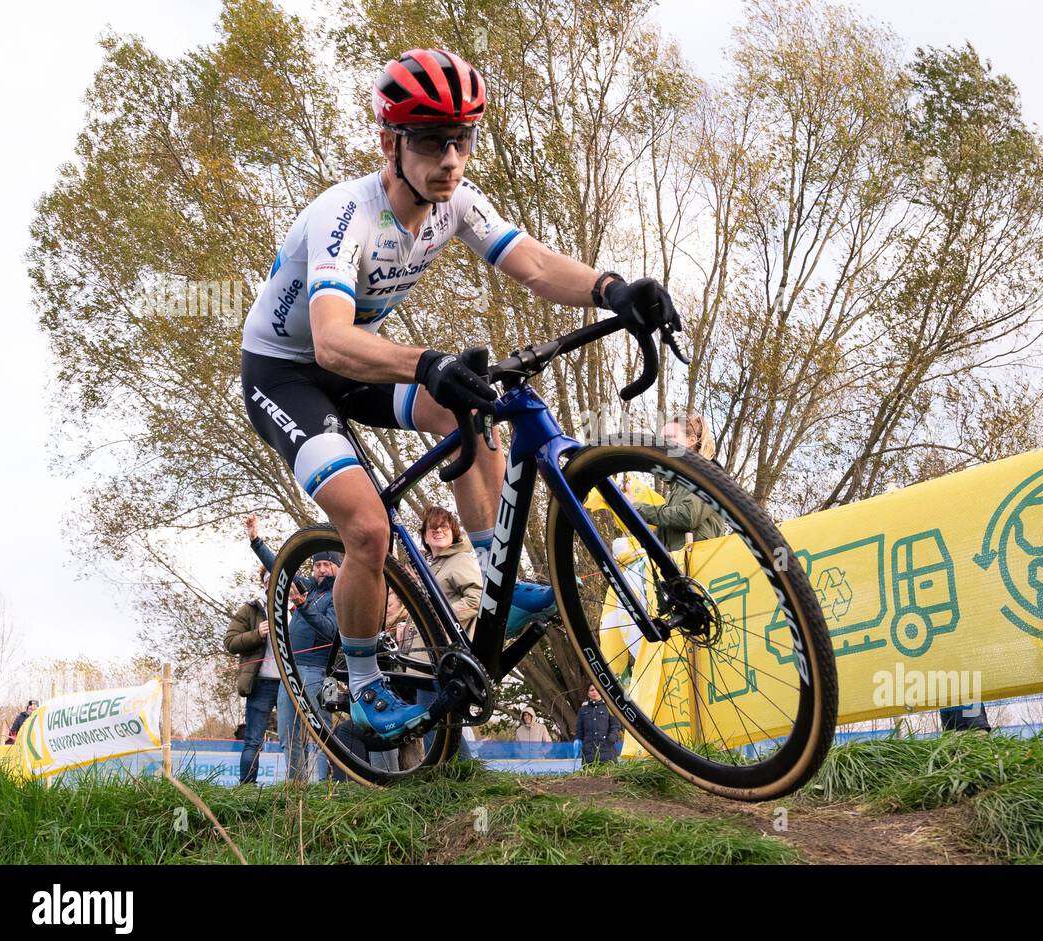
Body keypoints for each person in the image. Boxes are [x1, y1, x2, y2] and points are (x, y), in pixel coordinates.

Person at [238, 47, 680, 742]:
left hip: (355, 362)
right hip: (288, 371)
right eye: (432, 141)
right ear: (390, 142)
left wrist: (612, 289)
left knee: (471, 408)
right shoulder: (344, 215)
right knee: (367, 528)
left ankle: (491, 585)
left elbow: (531, 264)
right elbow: (328, 340)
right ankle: (364, 685)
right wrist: (426, 361)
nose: (451, 158)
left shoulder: (456, 204)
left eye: (463, 139)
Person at [245, 514, 338, 781]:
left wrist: (305, 606)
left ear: (337, 567)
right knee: (288, 734)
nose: (321, 569)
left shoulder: (338, 594)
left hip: (317, 670)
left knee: (320, 732)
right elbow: (281, 567)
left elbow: (330, 630)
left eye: (326, 564)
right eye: (317, 564)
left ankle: (324, 788)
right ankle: (295, 789)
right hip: (290, 669)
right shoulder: (307, 588)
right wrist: (256, 541)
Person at [633, 413, 725, 552]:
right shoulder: (679, 483)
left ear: (691, 440)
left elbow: (688, 516)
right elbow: (668, 530)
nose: (662, 444)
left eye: (669, 438)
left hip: (699, 563)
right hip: (678, 564)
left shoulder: (710, 475)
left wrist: (639, 509)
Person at [223, 567, 280, 784]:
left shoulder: (295, 607)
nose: (272, 583)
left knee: (294, 739)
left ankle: (296, 789)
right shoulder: (250, 609)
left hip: (290, 684)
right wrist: (257, 634)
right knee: (253, 740)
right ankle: (247, 788)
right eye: (268, 579)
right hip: (261, 683)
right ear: (264, 584)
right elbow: (230, 642)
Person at [421, 506, 483, 634]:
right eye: (432, 527)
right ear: (425, 538)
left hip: (447, 648)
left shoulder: (461, 559)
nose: (438, 530)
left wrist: (437, 619)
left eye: (444, 526)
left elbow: (478, 598)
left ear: (453, 533)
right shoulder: (429, 569)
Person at [574, 684, 621, 764]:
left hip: (607, 752)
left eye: (597, 690)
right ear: (588, 693)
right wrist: (577, 740)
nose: (594, 692)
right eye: (592, 690)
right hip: (589, 754)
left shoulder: (609, 707)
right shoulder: (583, 709)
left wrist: (611, 739)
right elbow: (579, 730)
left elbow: (615, 726)